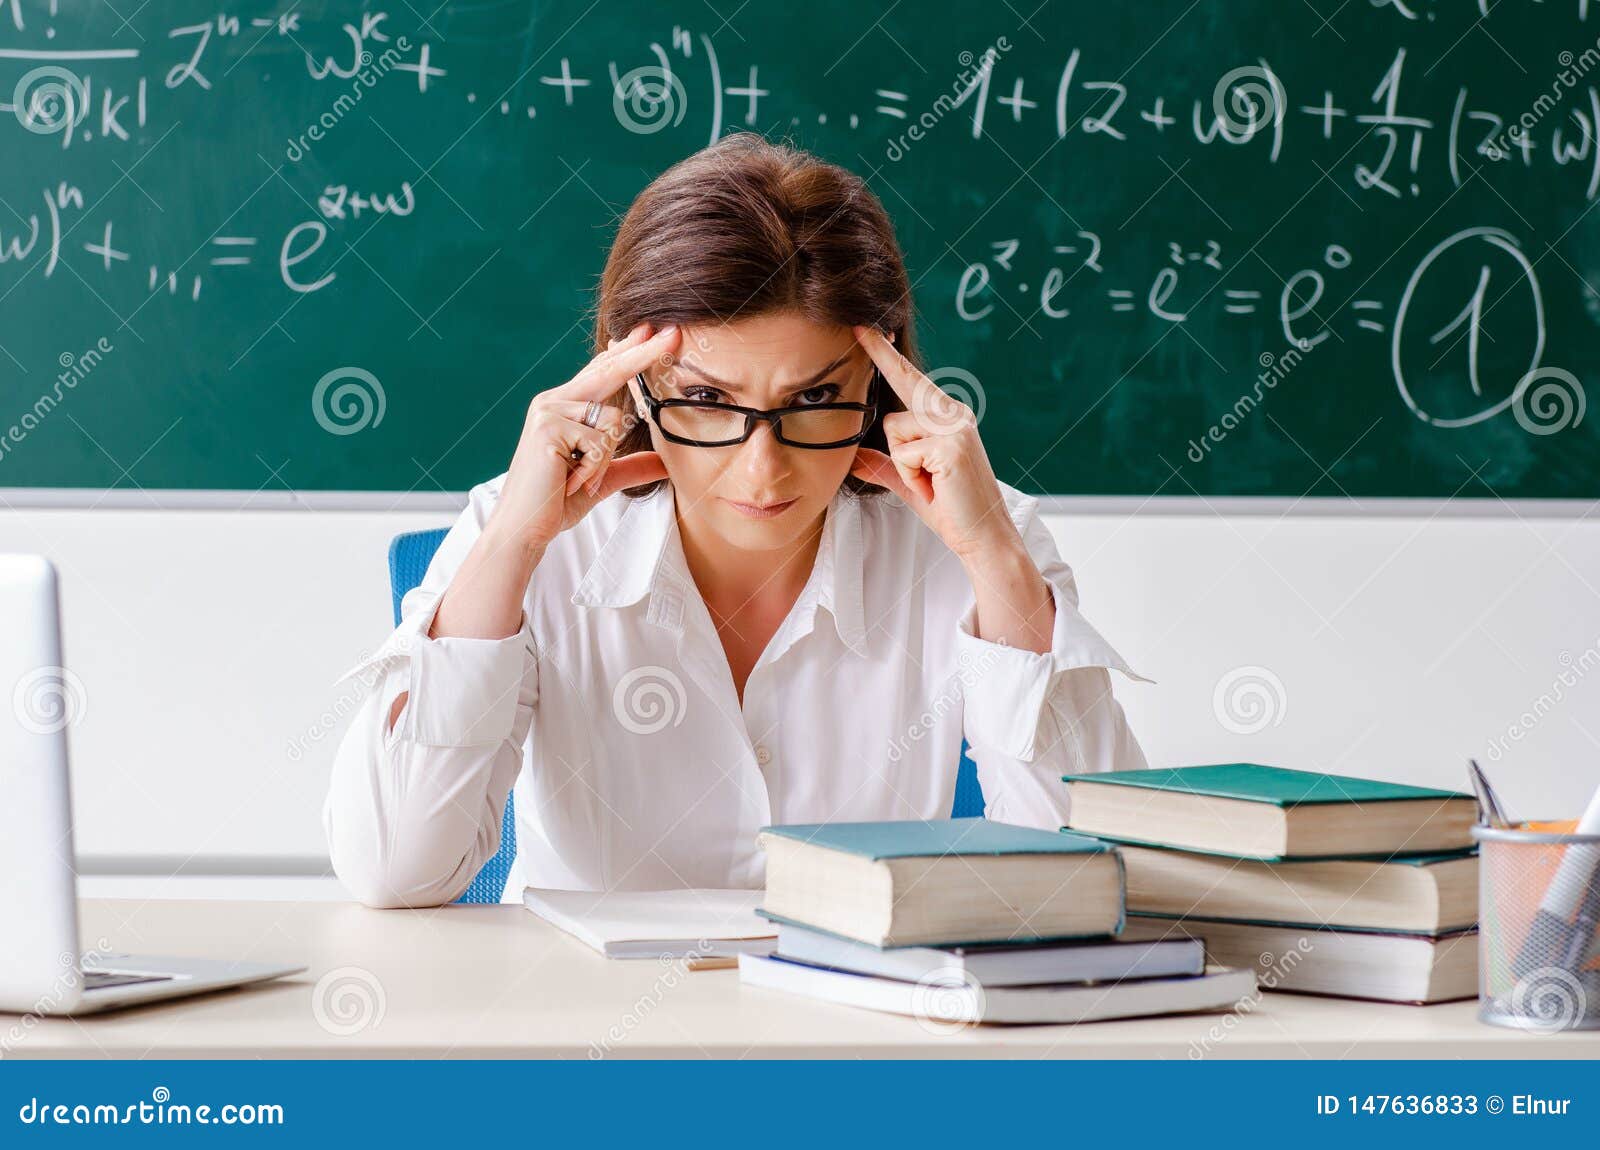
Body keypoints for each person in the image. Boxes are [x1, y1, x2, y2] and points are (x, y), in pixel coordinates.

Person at [324, 133, 1147, 908]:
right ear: (632, 374)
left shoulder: (984, 539)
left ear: (881, 371)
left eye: (817, 398)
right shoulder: (523, 535)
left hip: (854, 1032)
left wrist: (993, 559)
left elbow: (1090, 878)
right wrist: (512, 547)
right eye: (710, 400)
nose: (764, 469)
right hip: (588, 1033)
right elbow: (396, 874)